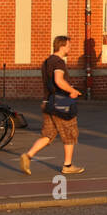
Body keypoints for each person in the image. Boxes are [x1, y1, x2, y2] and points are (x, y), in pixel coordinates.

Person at [19, 35, 84, 175]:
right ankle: (68, 165)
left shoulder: (47, 62)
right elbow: (59, 81)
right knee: (70, 133)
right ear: (62, 46)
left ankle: (28, 155)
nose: (70, 48)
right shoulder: (59, 62)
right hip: (61, 105)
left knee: (48, 134)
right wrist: (72, 91)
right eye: (68, 46)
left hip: (48, 103)